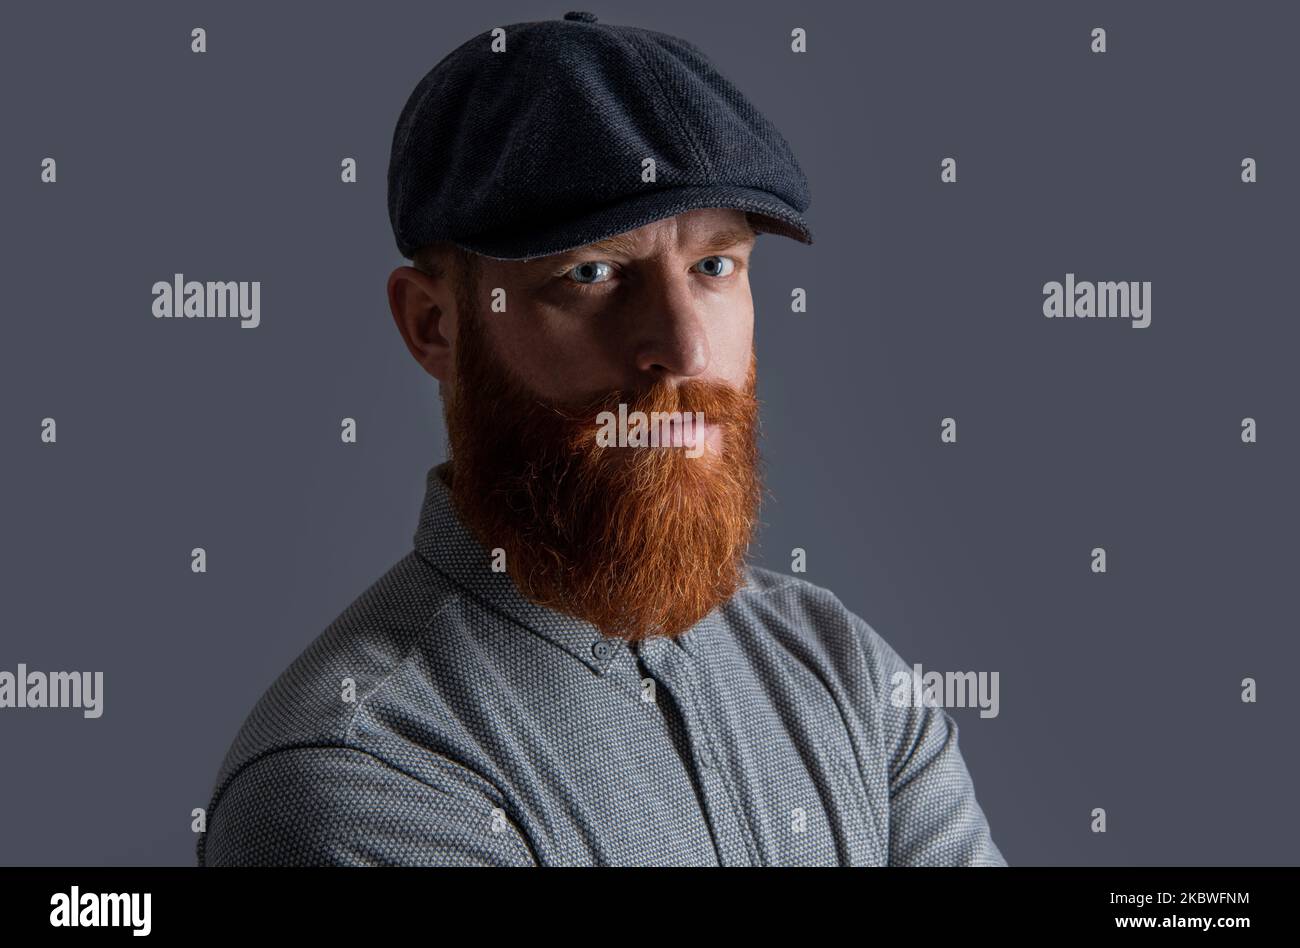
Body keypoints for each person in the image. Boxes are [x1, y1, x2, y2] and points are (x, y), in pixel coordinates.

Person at [197, 11, 1005, 866]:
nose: (685, 350)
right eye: (592, 273)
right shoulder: (362, 777)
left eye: (715, 266)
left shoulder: (845, 673)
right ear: (434, 325)